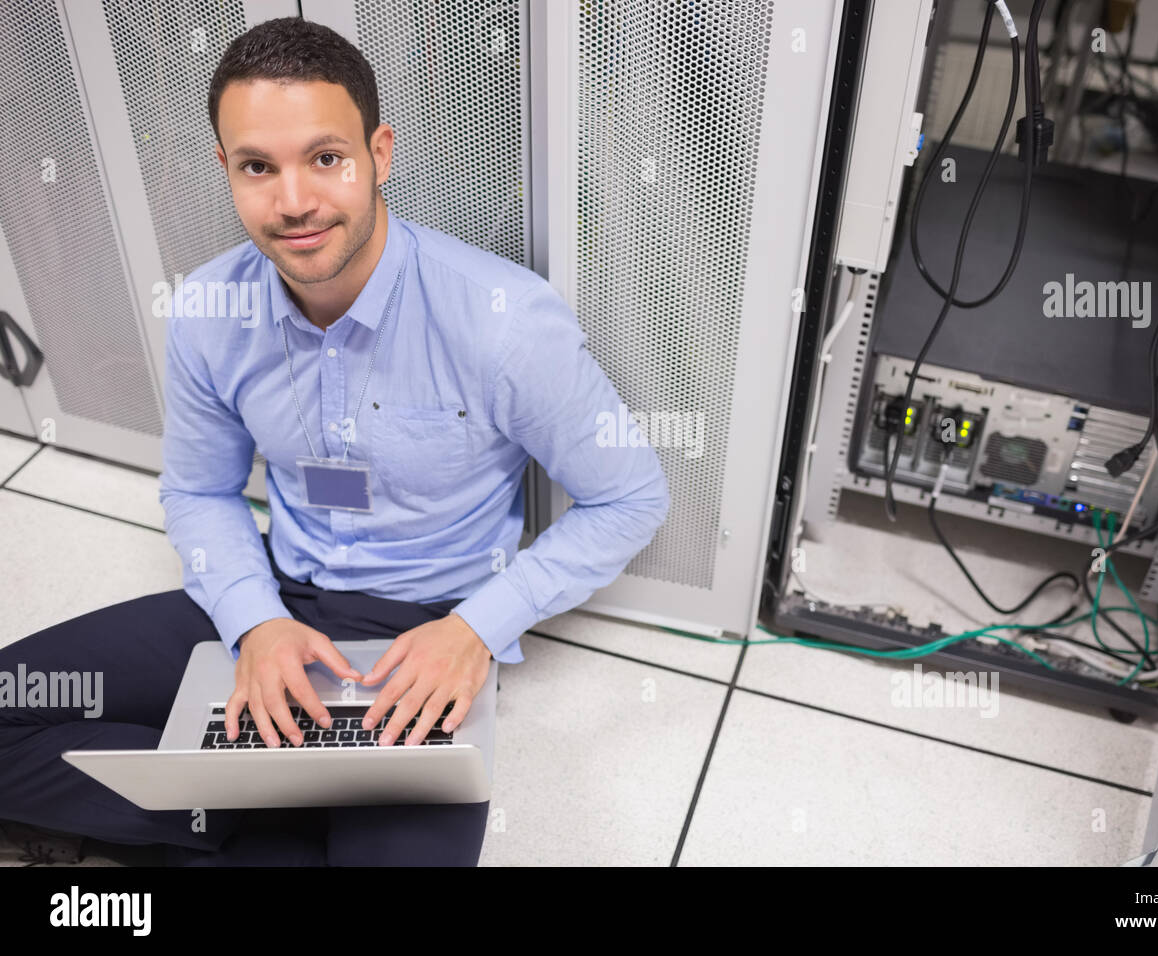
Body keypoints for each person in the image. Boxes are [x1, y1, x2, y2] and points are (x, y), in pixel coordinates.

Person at [0, 16, 670, 866]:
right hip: (279, 600)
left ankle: (241, 815)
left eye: (326, 158)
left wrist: (475, 631)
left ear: (379, 154)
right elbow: (199, 491)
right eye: (257, 167)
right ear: (227, 172)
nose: (294, 202)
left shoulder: (505, 322)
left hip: (424, 631)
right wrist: (254, 626)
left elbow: (632, 495)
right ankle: (239, 813)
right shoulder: (209, 312)